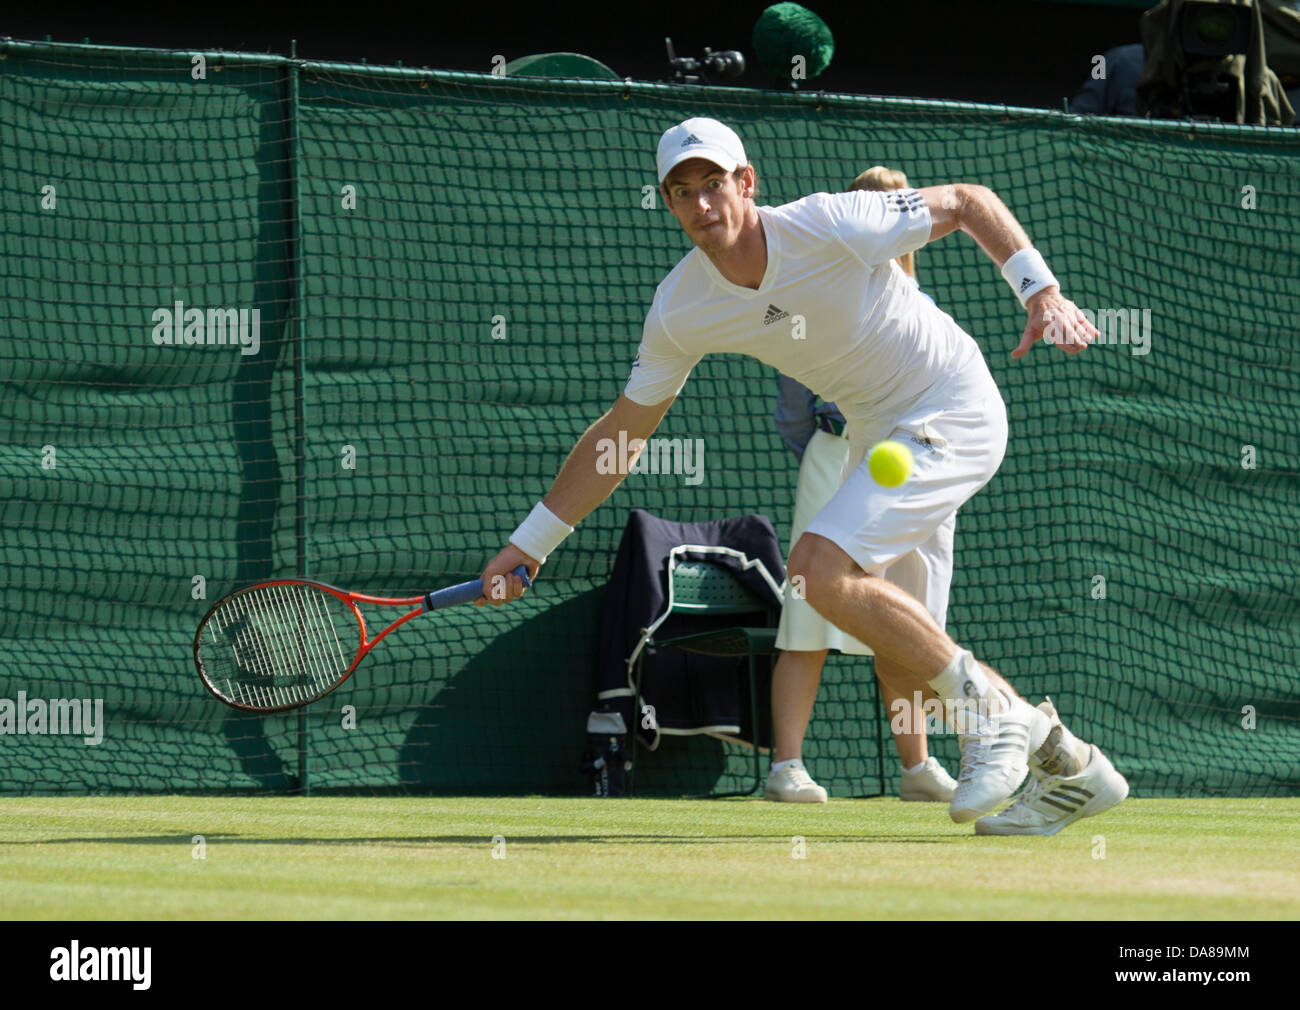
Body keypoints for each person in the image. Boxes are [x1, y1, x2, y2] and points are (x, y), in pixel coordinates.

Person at [477, 117, 1129, 835]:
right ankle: (1074, 769)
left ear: (747, 183)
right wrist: (531, 542)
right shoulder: (681, 306)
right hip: (879, 434)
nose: (702, 206)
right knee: (913, 648)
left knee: (817, 570)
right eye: (682, 192)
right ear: (667, 203)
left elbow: (969, 200)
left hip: (952, 403)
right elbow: (624, 432)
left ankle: (995, 720)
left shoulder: (830, 222)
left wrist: (1041, 292)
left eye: (715, 185)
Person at [766, 166, 957, 805]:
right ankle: (786, 767)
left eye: (892, 208)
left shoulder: (925, 312)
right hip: (835, 455)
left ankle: (917, 769)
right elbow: (795, 407)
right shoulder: (821, 296)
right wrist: (833, 449)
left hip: (917, 460)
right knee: (809, 615)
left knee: (909, 620)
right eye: (870, 206)